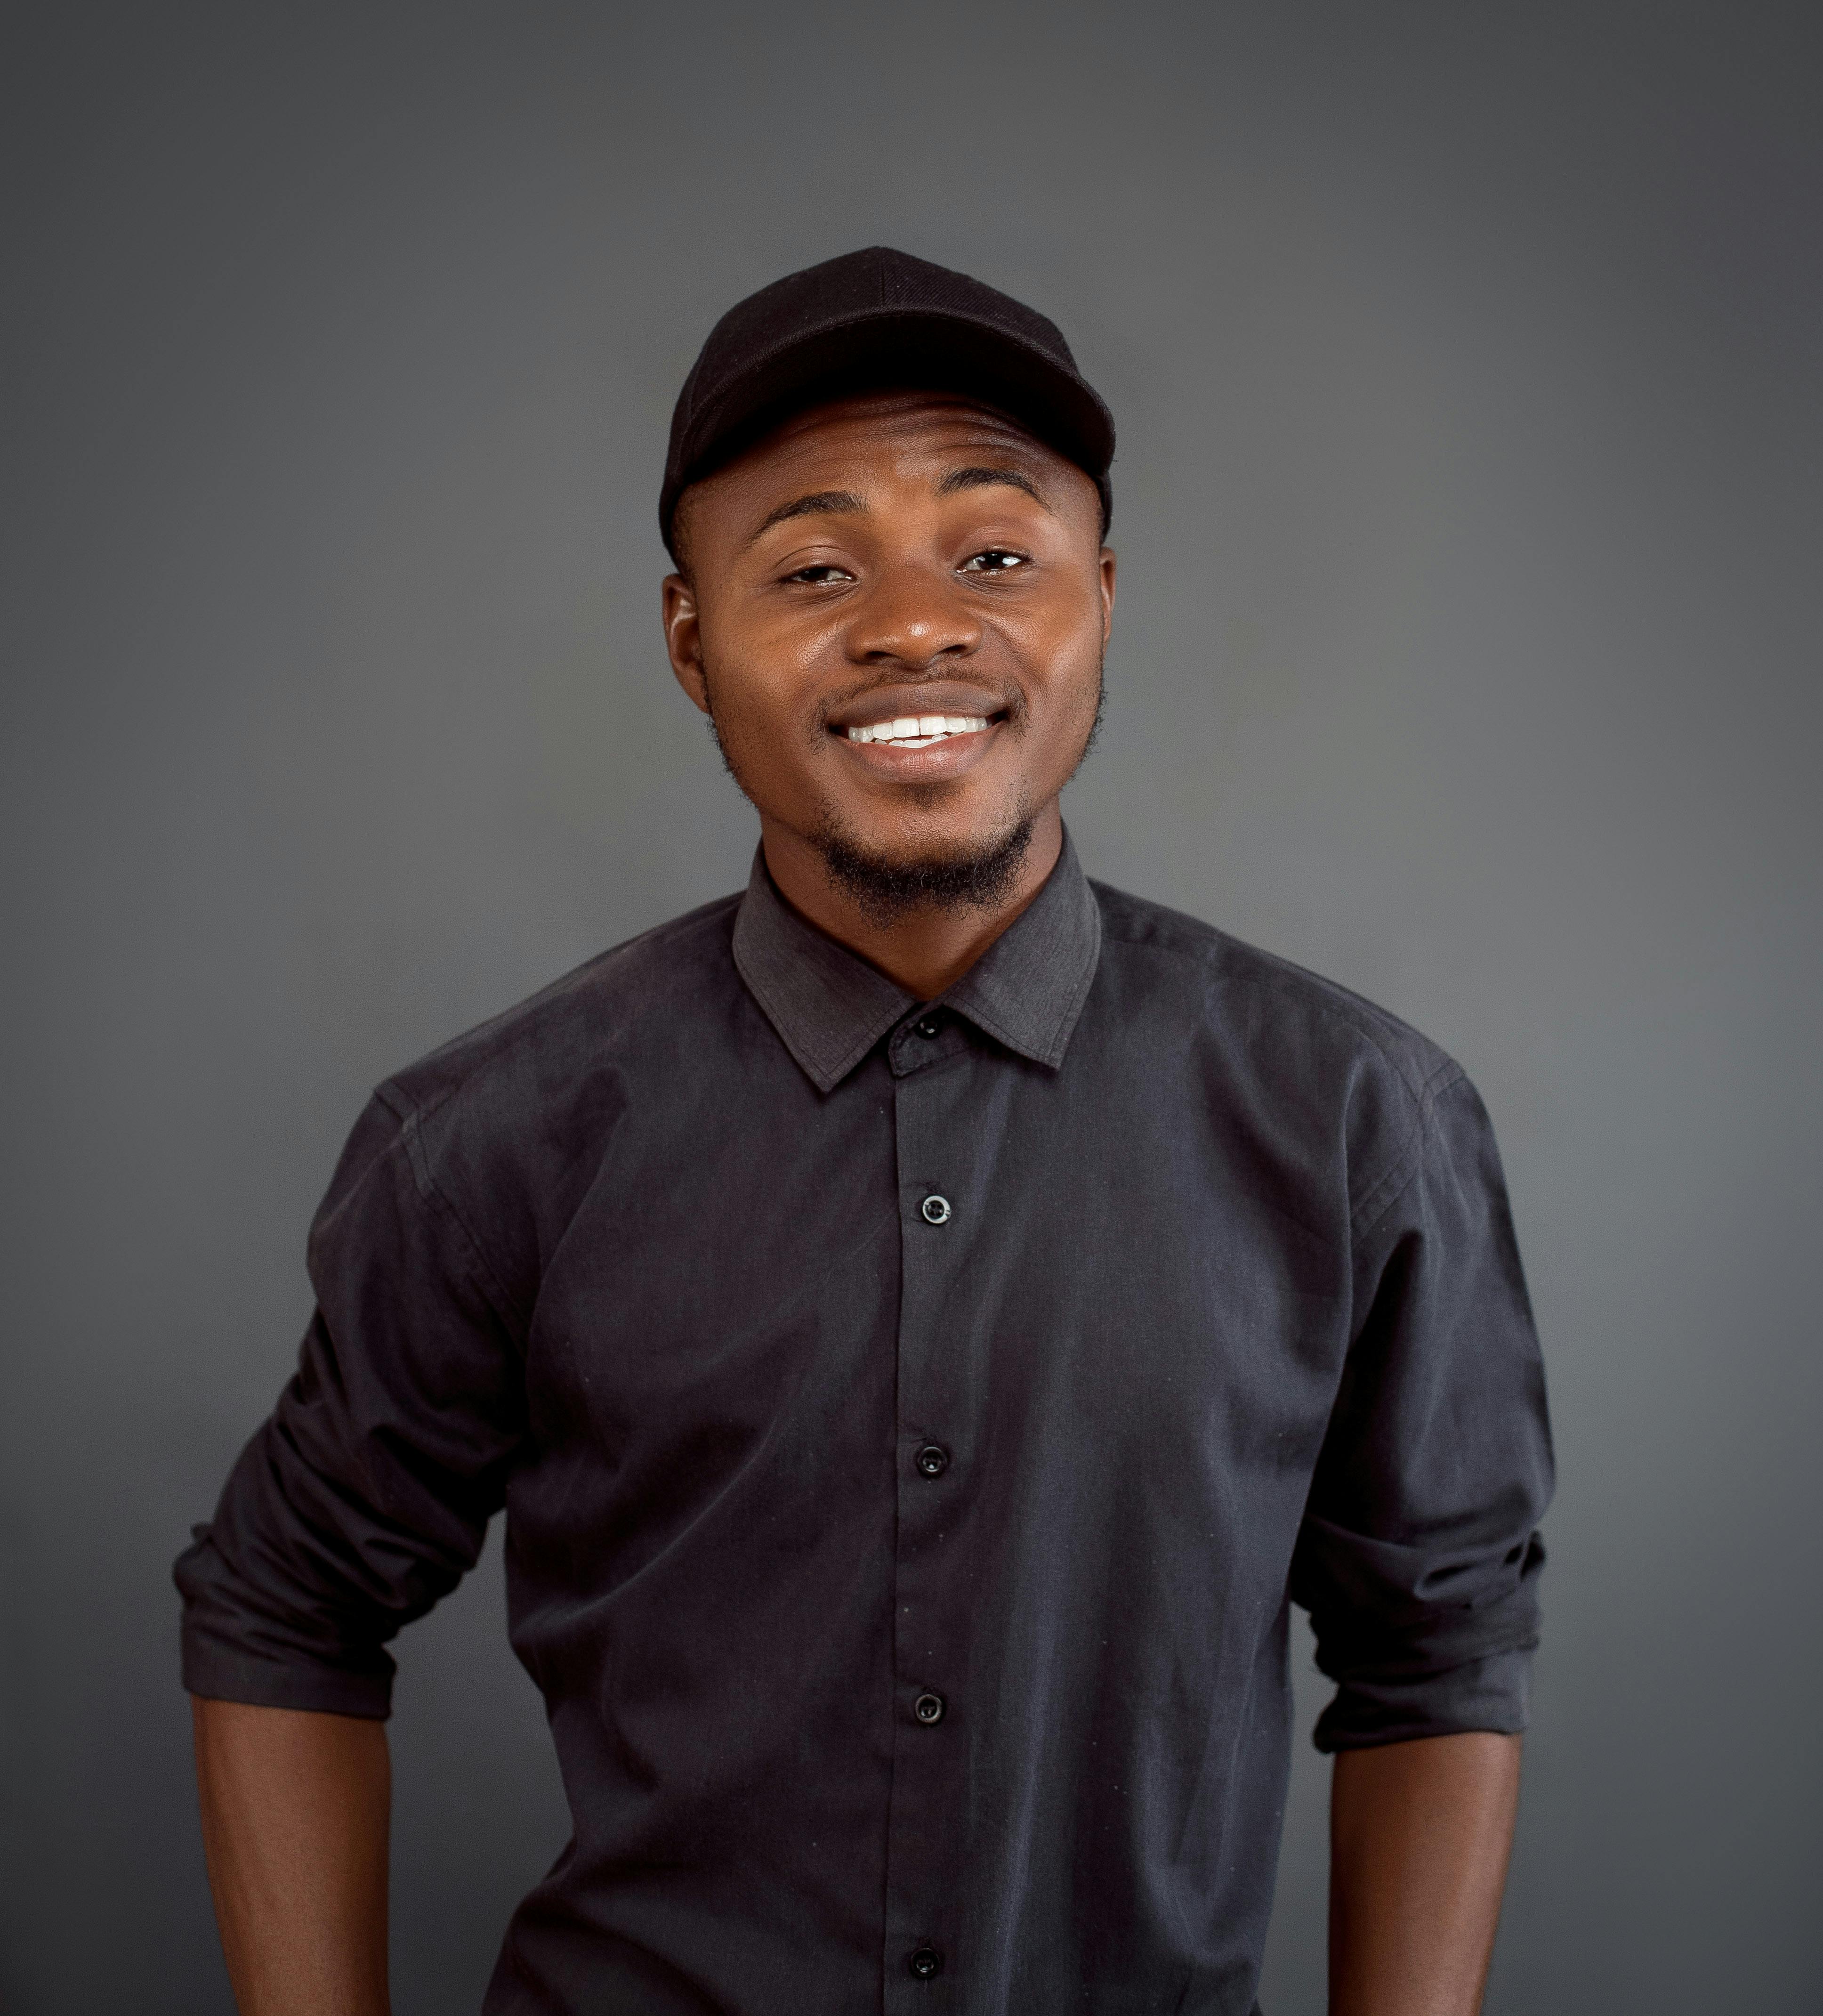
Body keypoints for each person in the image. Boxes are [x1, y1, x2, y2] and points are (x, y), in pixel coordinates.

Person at [176, 246, 1552, 2016]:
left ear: (1103, 600)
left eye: (995, 554)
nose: (915, 622)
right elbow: (285, 1604)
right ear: (690, 640)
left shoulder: (1363, 1122)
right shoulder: (493, 1143)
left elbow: (1440, 1651)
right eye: (815, 567)